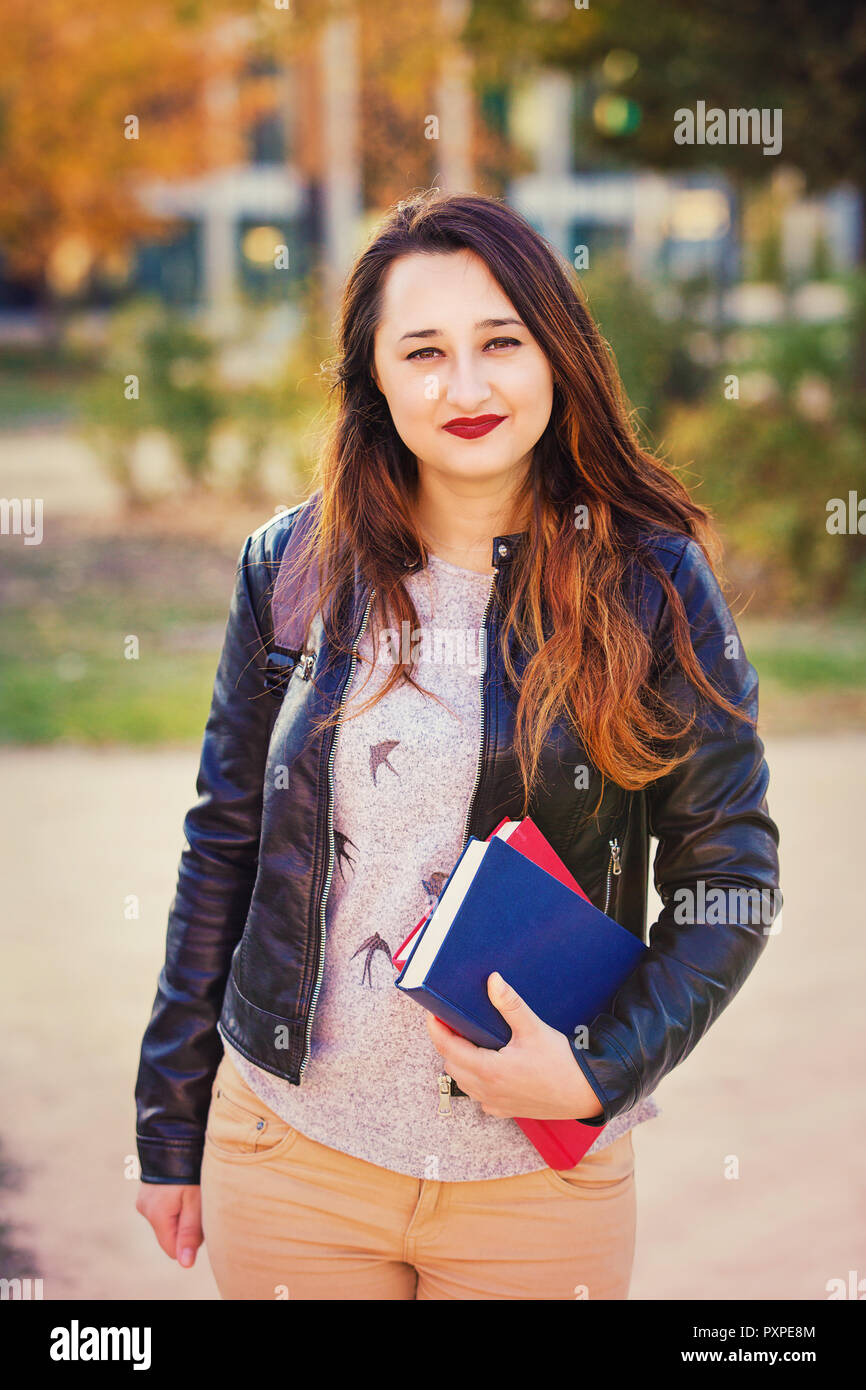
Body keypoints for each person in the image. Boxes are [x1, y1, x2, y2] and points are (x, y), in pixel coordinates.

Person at [135, 190, 781, 1300]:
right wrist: (167, 1117)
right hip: (288, 1157)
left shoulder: (649, 579)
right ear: (372, 378)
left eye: (500, 343)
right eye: (422, 350)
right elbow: (225, 842)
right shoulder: (290, 567)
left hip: (530, 1180)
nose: (466, 387)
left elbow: (731, 875)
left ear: (556, 355)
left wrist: (594, 1070)